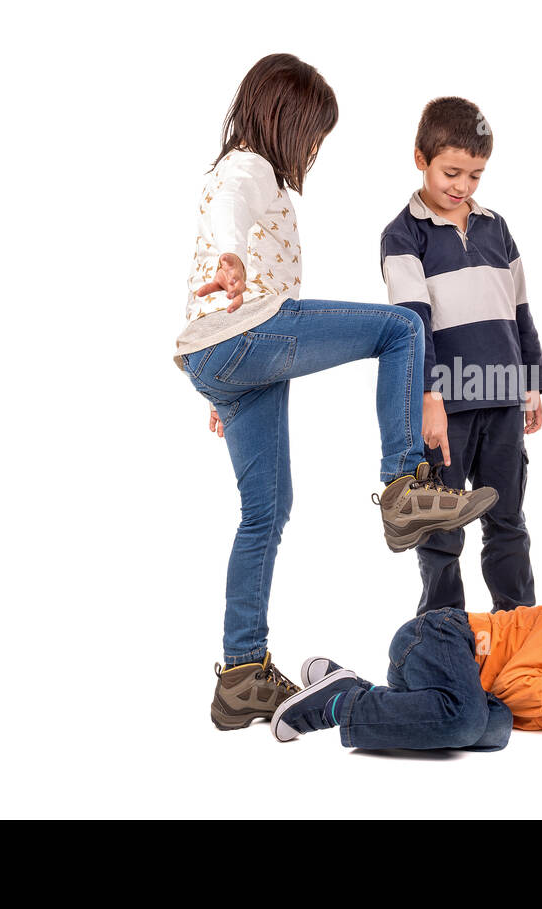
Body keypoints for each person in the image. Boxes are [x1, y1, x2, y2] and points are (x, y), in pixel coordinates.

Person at [174, 55, 497, 731]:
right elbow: (229, 223)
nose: (316, 147)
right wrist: (232, 262)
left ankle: (241, 677)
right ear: (286, 119)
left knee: (266, 509)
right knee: (402, 329)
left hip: (225, 355)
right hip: (245, 335)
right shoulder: (248, 168)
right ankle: (405, 488)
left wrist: (220, 371)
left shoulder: (249, 174)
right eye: (315, 132)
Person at [380, 97, 542, 615]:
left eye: (475, 176)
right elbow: (411, 326)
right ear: (421, 159)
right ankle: (442, 628)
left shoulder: (496, 227)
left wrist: (531, 381)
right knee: (441, 528)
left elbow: (519, 307)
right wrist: (429, 396)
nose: (462, 187)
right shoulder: (402, 235)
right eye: (452, 173)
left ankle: (519, 622)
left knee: (508, 518)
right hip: (447, 405)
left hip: (502, 396)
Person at [268, 605, 542, 748]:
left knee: (495, 730)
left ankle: (354, 689)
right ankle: (339, 705)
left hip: (448, 691)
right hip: (438, 637)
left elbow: (510, 707)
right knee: (468, 720)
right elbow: (512, 685)